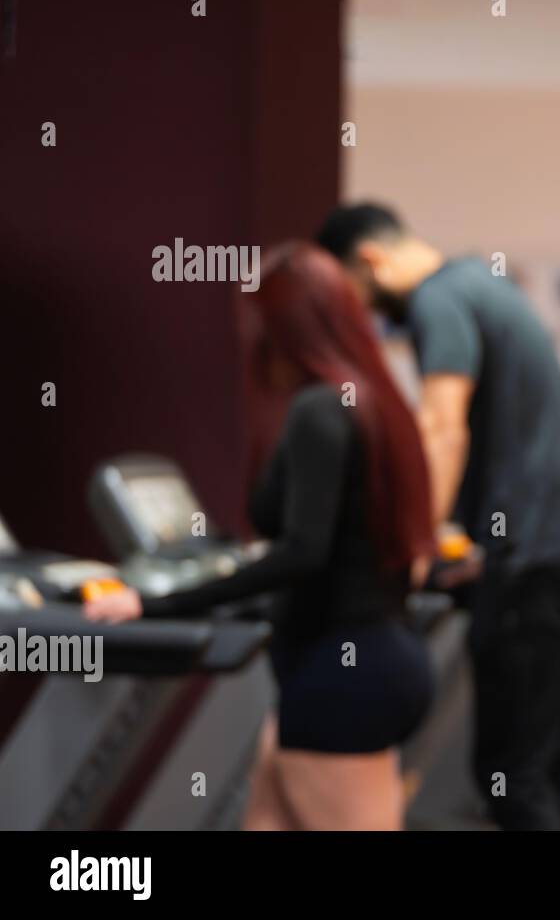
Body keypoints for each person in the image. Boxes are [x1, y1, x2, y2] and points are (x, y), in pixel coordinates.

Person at [83, 243, 437, 831]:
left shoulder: (319, 411)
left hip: (343, 677)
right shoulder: (376, 403)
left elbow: (302, 552)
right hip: (365, 662)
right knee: (265, 817)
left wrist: (152, 604)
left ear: (284, 328)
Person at [317, 204, 560, 830]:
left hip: (532, 557)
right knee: (553, 764)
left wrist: (415, 545)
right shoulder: (482, 283)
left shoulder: (436, 300)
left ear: (370, 261)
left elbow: (441, 424)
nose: (363, 315)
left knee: (512, 778)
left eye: (354, 295)